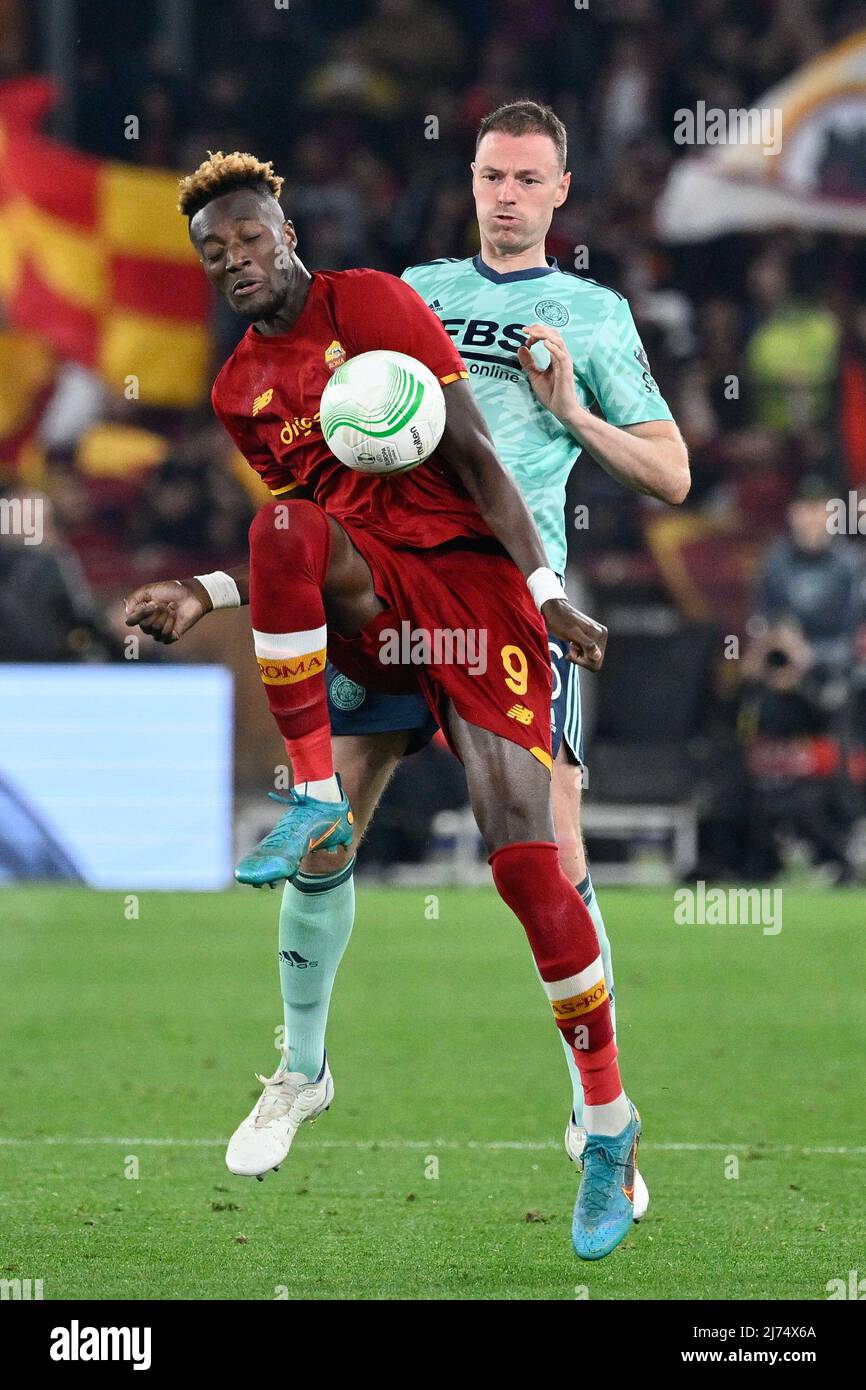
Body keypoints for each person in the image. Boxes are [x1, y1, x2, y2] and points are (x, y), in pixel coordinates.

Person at [125, 150, 638, 1259]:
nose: (236, 263)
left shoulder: (373, 302)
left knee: (522, 861)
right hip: (374, 598)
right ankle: (301, 1045)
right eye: (213, 254)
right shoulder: (235, 392)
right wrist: (203, 591)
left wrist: (547, 591)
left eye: (249, 238)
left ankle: (606, 1119)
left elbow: (479, 454)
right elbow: (298, 537)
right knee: (278, 540)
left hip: (473, 587)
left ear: (287, 227)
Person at [332, 100, 689, 1179]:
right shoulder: (414, 296)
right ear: (472, 180)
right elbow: (341, 411)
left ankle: (599, 1117)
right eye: (491, 176)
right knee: (326, 829)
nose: (505, 195)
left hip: (514, 608)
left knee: (554, 843)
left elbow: (670, 473)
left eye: (527, 180)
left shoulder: (591, 313)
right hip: (396, 593)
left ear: (559, 192)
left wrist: (573, 413)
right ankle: (302, 1062)